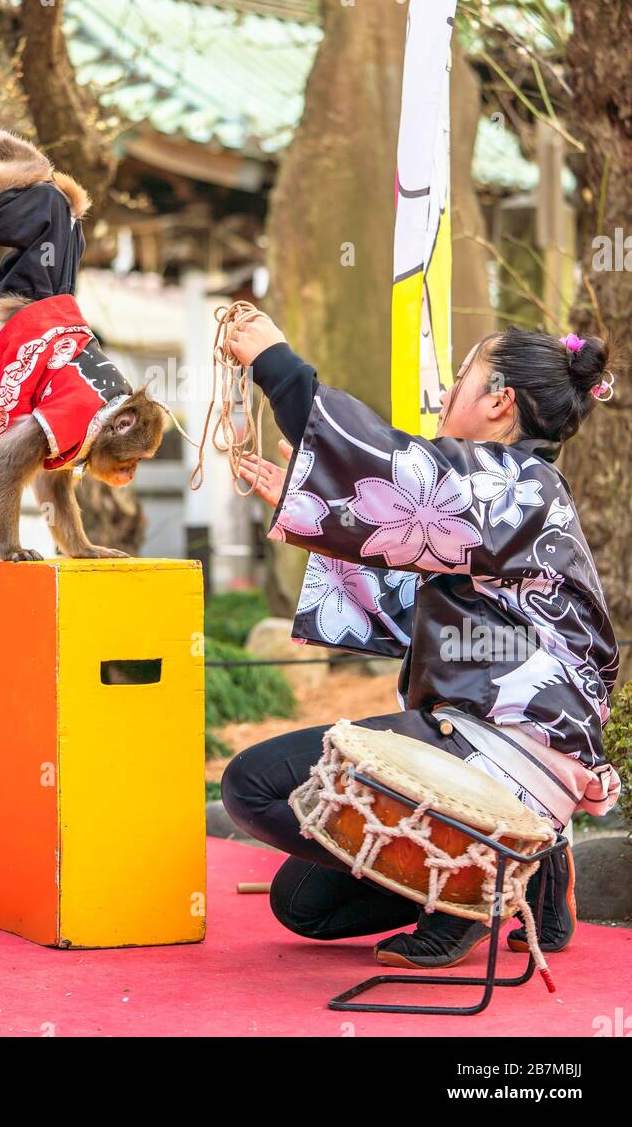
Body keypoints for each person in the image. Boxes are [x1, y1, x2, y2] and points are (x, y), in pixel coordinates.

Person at [221, 317, 621, 968]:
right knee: (304, 905)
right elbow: (415, 612)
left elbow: (380, 460)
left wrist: (275, 361)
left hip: (505, 748)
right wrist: (314, 519)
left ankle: (480, 880)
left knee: (255, 787)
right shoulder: (512, 493)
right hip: (501, 746)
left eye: (458, 379)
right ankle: (537, 868)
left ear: (499, 401)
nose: (443, 396)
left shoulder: (513, 484)